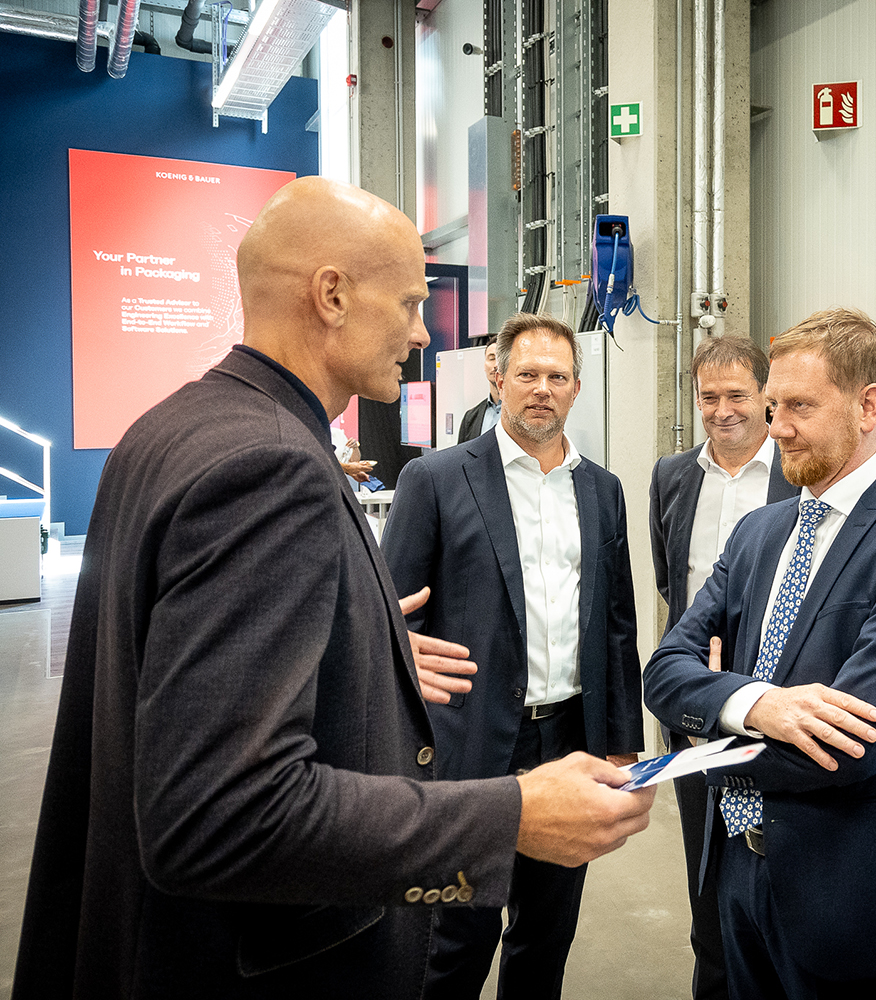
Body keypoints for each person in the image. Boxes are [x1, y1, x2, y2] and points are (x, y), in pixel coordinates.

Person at [11, 176, 655, 1000]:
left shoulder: (173, 429)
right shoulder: (270, 468)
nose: (421, 335)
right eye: (410, 303)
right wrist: (512, 814)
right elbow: (219, 815)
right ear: (333, 295)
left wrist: (367, 663)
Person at [644, 308, 876, 1000]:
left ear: (868, 407)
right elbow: (665, 671)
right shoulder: (761, 533)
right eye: (773, 407)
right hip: (734, 872)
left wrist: (705, 727)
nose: (776, 426)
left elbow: (854, 744)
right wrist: (759, 702)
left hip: (845, 887)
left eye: (798, 406)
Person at [381, 312, 644, 999]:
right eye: (527, 374)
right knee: (456, 936)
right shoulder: (435, 479)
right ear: (498, 379)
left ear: (577, 389)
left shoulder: (602, 489)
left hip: (569, 737)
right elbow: (389, 624)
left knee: (547, 932)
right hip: (466, 745)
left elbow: (617, 622)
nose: (541, 390)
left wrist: (621, 739)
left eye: (558, 377)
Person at [647, 335, 798, 1000]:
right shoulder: (672, 476)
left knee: (780, 877)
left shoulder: (797, 473)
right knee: (706, 881)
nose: (722, 409)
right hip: (696, 714)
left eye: (737, 395)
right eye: (709, 396)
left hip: (778, 707)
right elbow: (669, 580)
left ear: (764, 400)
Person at [458, 335, 503, 443]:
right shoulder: (470, 418)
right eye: (491, 358)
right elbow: (463, 457)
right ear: (484, 365)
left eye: (501, 358)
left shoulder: (525, 413)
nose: (496, 365)